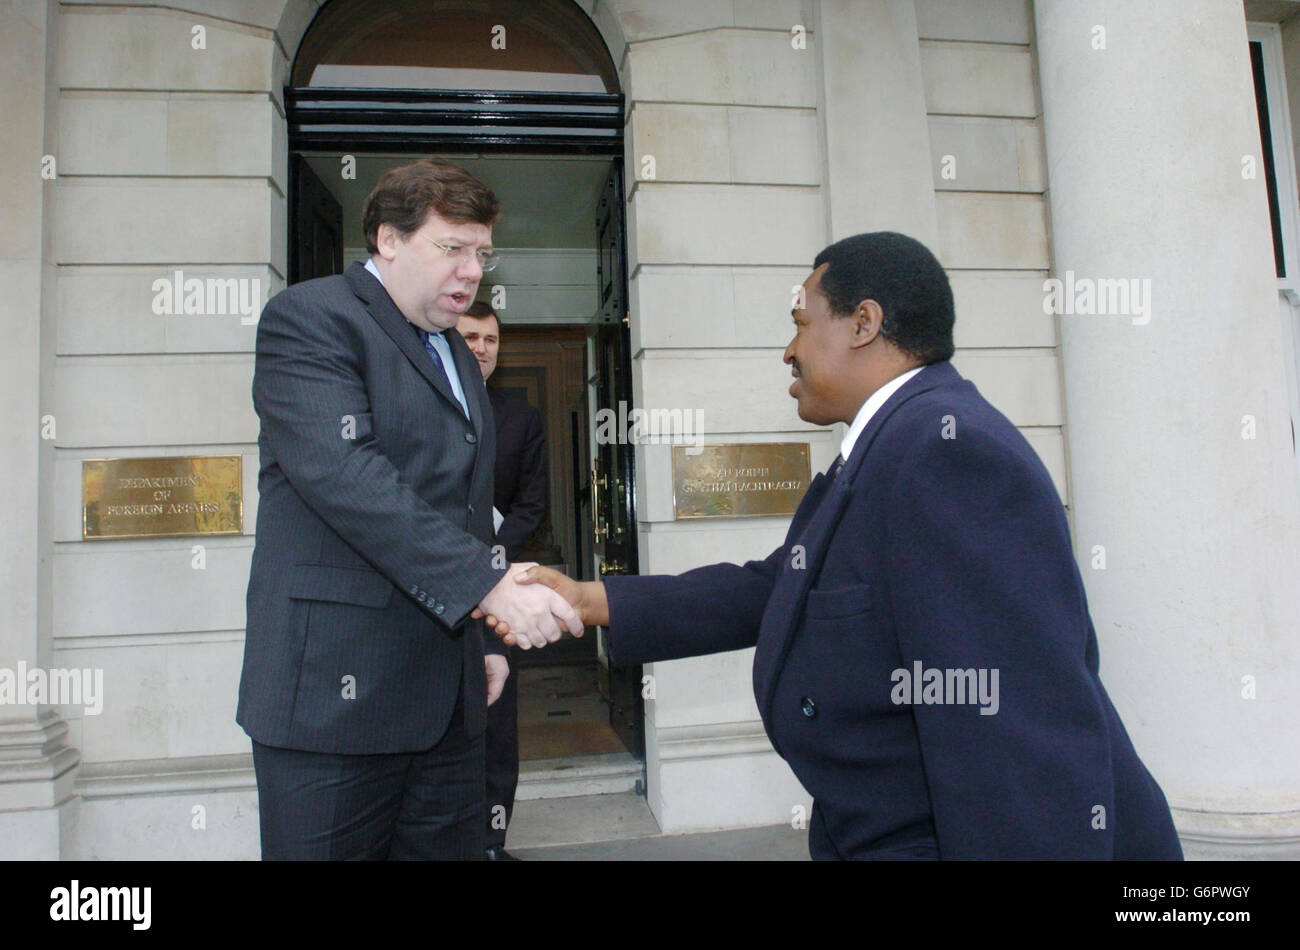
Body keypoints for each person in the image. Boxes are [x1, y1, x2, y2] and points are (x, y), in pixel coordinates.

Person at [495, 231, 1184, 860]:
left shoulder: (950, 454)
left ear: (864, 323)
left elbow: (1011, 742)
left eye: (800, 323)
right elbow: (776, 588)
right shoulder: (888, 446)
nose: (789, 349)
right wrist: (591, 600)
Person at [237, 159, 581, 860]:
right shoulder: (310, 319)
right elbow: (346, 478)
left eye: (482, 253)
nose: (471, 270)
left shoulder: (458, 352)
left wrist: (480, 641)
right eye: (450, 247)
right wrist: (490, 586)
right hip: (333, 711)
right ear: (387, 240)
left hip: (448, 707)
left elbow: (457, 510)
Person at [458, 301, 548, 861]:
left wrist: (488, 558)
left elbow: (532, 504)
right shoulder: (421, 405)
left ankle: (491, 843)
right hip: (428, 589)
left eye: (491, 340)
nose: (482, 349)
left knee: (496, 727)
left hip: (496, 591)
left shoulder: (521, 415)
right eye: (470, 337)